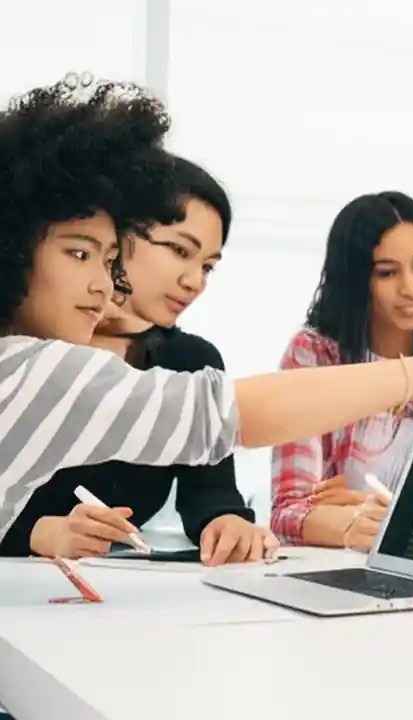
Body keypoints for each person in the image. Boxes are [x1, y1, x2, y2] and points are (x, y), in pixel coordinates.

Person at [0, 74, 413, 562]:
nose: (105, 283)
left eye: (106, 257)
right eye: (79, 253)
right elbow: (229, 415)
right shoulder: (37, 371)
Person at [0, 154, 265, 564]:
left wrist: (228, 521)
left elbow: (212, 488)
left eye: (208, 267)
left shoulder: (188, 359)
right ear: (122, 234)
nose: (195, 282)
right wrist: (35, 532)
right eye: (179, 250)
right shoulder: (25, 353)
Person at [271, 191, 413, 550]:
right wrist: (348, 522)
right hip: (336, 566)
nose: (411, 289)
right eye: (386, 273)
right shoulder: (313, 354)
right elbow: (288, 513)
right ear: (355, 280)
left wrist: (359, 499)